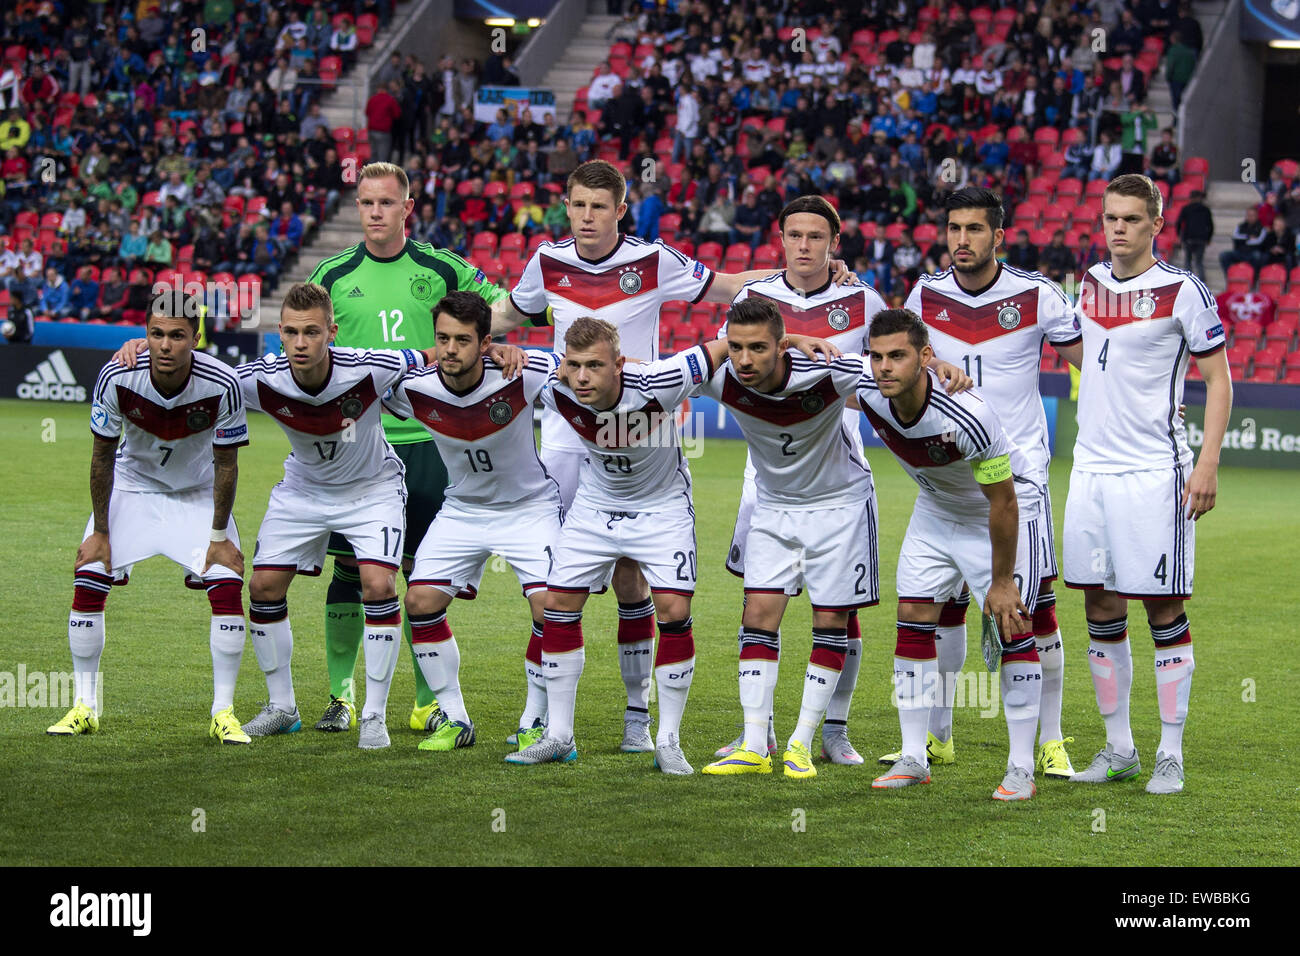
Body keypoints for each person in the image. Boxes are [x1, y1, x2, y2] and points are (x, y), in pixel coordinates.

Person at [492, 159, 859, 752]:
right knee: (549, 582)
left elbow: (727, 287)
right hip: (568, 429)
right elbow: (507, 316)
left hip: (648, 423)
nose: (585, 217)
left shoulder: (653, 259)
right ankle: (540, 713)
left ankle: (639, 718)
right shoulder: (545, 261)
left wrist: (797, 270)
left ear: (619, 209)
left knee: (635, 578)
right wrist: (474, 341)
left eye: (597, 206)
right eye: (576, 205)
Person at [306, 162, 509, 735]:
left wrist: (509, 344)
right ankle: (341, 697)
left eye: (386, 203)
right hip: (358, 446)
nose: (375, 212)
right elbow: (306, 343)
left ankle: (426, 700)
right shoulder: (333, 273)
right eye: (366, 203)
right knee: (350, 570)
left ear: (407, 208)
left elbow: (501, 307)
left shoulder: (440, 268)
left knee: (422, 576)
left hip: (428, 441)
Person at [887, 187, 1082, 779]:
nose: (961, 240)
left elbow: (1092, 365)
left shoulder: (1036, 294)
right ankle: (937, 739)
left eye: (974, 229)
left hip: (1017, 479)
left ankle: (1049, 741)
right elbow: (894, 348)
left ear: (998, 236)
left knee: (1033, 609)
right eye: (953, 228)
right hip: (949, 478)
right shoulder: (926, 293)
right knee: (939, 607)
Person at [1064, 174, 1232, 795]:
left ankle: (1171, 751)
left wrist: (1207, 462)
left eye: (1132, 219)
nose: (1118, 229)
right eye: (1111, 217)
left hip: (1152, 474)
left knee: (1163, 607)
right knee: (1100, 606)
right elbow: (1090, 352)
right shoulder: (1090, 282)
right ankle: (1119, 748)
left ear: (1156, 225)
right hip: (1090, 470)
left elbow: (1219, 381)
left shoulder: (1183, 291)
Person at [712, 195, 888, 767]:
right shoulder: (753, 297)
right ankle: (757, 735)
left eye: (817, 236)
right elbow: (732, 355)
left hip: (834, 455)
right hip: (765, 466)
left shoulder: (861, 297)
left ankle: (832, 729)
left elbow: (883, 365)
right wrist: (788, 342)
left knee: (841, 607)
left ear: (834, 242)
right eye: (795, 236)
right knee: (763, 597)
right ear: (780, 239)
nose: (805, 246)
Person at [226, 283, 441, 748]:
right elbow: (199, 380)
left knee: (379, 585)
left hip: (371, 489)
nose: (300, 343)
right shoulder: (261, 378)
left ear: (331, 332)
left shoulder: (369, 366)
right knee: (262, 587)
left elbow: (434, 355)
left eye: (311, 332)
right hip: (303, 490)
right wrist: (140, 346)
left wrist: (498, 350)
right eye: (290, 332)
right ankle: (282, 707)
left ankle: (373, 716)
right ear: (278, 333)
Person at [853, 309, 1045, 798]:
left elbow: (1003, 500)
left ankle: (1021, 766)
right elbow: (802, 361)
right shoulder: (869, 389)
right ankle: (914, 756)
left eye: (897, 356)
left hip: (998, 512)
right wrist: (793, 334)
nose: (884, 367)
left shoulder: (969, 414)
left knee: (1014, 627)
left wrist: (1002, 582)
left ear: (925, 357)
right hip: (936, 510)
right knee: (913, 616)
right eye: (876, 356)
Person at [506, 317, 706, 773]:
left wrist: (799, 338)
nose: (581, 377)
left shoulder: (661, 380)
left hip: (662, 506)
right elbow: (479, 352)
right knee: (557, 604)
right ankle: (559, 735)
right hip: (596, 504)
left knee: (673, 610)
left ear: (618, 364)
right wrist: (502, 347)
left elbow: (724, 347)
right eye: (573, 365)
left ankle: (665, 737)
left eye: (594, 366)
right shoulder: (553, 382)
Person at [47, 302, 251, 744]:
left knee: (226, 579)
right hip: (133, 488)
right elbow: (102, 457)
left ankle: (223, 712)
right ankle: (85, 706)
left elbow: (227, 466)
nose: (165, 345)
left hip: (196, 493)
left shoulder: (222, 383)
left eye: (177, 335)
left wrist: (218, 537)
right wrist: (101, 532)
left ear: (195, 339)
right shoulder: (118, 374)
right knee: (88, 575)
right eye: (156, 333)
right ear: (145, 332)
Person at [694, 298, 878, 780]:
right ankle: (755, 743)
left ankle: (802, 740)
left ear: (781, 347)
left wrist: (935, 362)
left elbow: (890, 370)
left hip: (839, 505)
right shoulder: (722, 377)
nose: (745, 360)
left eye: (759, 348)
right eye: (736, 348)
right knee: (758, 613)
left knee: (830, 617)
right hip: (775, 506)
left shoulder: (826, 372)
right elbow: (654, 374)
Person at [381, 291, 556, 753]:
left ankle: (535, 720)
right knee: (419, 601)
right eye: (442, 339)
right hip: (462, 509)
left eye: (463, 340)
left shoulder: (523, 372)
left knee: (549, 608)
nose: (450, 350)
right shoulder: (414, 389)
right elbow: (358, 380)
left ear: (486, 343)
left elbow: (589, 363)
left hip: (529, 508)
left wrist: (521, 349)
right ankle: (455, 720)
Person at [1175, 190, 1213, 281]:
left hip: (1188, 238)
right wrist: (1208, 238)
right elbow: (1210, 225)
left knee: (1188, 260)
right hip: (1201, 239)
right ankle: (1202, 280)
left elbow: (1179, 223)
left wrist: (1179, 236)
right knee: (1199, 261)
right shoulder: (1205, 209)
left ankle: (1188, 280)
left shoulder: (1186, 208)